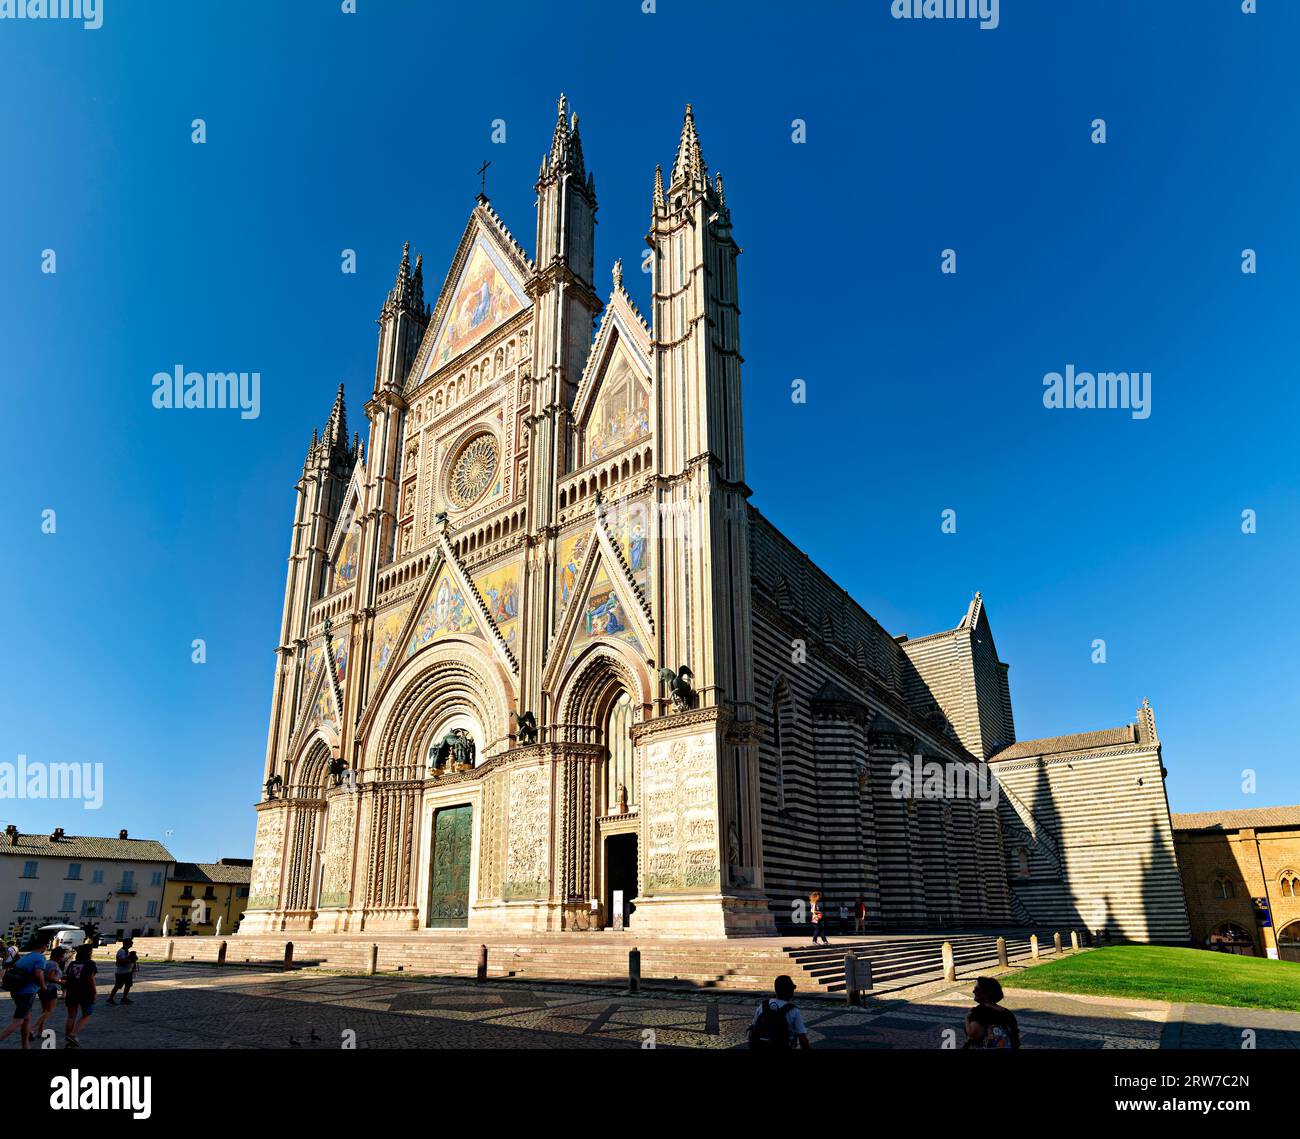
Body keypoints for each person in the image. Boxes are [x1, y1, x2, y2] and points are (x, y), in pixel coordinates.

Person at [0, 937, 49, 1049]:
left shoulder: (27, 956)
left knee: (26, 1018)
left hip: (16, 990)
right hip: (27, 992)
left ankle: (25, 1045)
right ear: (43, 947)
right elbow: (38, 974)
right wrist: (43, 986)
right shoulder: (40, 958)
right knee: (18, 1021)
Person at [748, 974, 810, 1050]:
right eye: (792, 989)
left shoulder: (763, 1006)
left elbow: (753, 1027)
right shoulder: (793, 1011)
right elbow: (802, 1038)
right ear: (789, 991)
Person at [963, 976, 1020, 1049]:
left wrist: (967, 1018)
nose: (973, 991)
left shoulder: (980, 1011)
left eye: (977, 989)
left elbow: (973, 1034)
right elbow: (1016, 1039)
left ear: (986, 994)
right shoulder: (1008, 1014)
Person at [63, 944, 98, 1049]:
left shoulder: (73, 963)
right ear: (88, 953)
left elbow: (68, 976)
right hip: (85, 992)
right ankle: (73, 1035)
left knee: (71, 1016)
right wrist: (94, 992)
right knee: (87, 1013)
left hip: (71, 991)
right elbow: (90, 979)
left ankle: (68, 1040)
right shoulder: (90, 963)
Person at [32, 946, 67, 1043]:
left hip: (42, 988)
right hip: (50, 989)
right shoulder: (54, 964)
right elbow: (51, 978)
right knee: (49, 1010)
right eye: (62, 956)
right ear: (58, 956)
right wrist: (61, 981)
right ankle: (32, 1029)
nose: (63, 958)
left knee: (45, 1011)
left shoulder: (46, 962)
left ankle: (40, 1031)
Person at [107, 937, 135, 1005]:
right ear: (127, 943)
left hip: (128, 971)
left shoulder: (127, 951)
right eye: (131, 943)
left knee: (128, 985)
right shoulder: (121, 951)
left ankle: (124, 998)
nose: (132, 944)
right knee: (117, 986)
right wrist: (131, 959)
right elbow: (120, 962)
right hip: (121, 972)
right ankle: (110, 998)